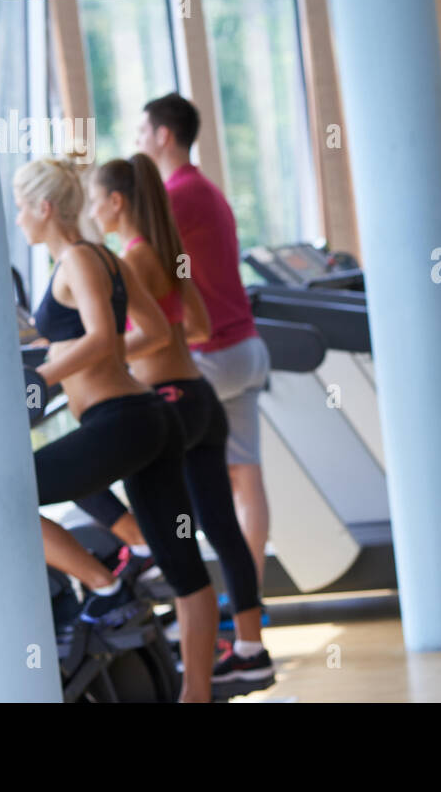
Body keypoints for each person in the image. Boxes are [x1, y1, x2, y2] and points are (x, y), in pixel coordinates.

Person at [14, 157, 218, 703]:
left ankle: (106, 588)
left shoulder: (77, 260)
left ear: (44, 207)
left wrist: (45, 376)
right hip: (147, 420)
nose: (17, 219)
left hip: (122, 423)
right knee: (185, 570)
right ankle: (194, 697)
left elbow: (102, 337)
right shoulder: (105, 258)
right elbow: (151, 332)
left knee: (8, 496)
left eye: (19, 206)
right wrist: (64, 360)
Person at [76, 154, 275, 689]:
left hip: (170, 403)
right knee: (220, 529)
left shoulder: (131, 260)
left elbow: (159, 333)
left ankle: (138, 549)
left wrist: (109, 355)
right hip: (200, 398)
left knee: (96, 484)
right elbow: (198, 324)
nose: (93, 212)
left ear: (116, 202)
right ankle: (250, 647)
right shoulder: (169, 252)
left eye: (95, 200)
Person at [136, 94, 272, 591]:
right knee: (244, 476)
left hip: (211, 352)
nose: (137, 142)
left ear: (162, 135)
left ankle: (178, 587)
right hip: (245, 349)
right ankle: (249, 600)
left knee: (162, 464)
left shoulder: (173, 194)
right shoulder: (207, 190)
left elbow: (139, 254)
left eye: (140, 132)